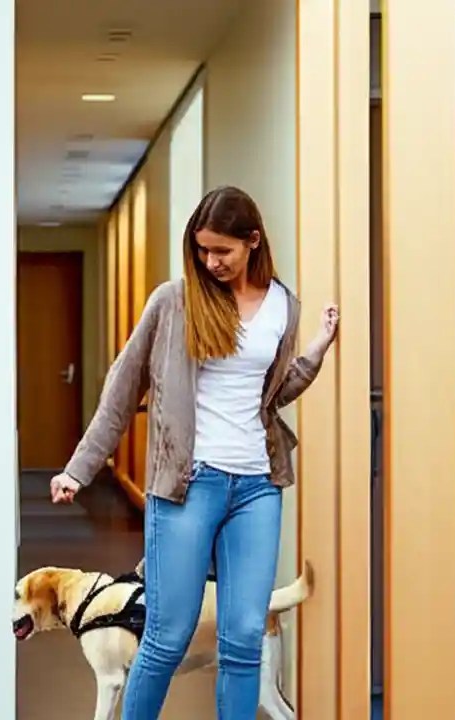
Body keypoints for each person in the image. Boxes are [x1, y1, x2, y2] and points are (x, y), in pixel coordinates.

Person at [48, 185, 339, 719]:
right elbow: (124, 386)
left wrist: (315, 353)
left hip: (257, 486)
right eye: (202, 250)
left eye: (222, 251)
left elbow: (270, 396)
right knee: (167, 633)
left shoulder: (283, 305)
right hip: (189, 485)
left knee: (244, 637)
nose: (211, 261)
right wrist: (79, 468)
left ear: (252, 242)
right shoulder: (175, 301)